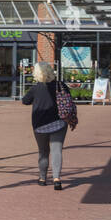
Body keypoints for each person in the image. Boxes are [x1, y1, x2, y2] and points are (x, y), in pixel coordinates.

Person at [22, 62, 72, 190]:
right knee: (57, 151)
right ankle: (56, 179)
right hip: (59, 122)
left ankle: (43, 178)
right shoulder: (61, 85)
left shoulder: (36, 88)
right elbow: (69, 100)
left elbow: (25, 101)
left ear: (37, 74)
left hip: (40, 125)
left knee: (43, 152)